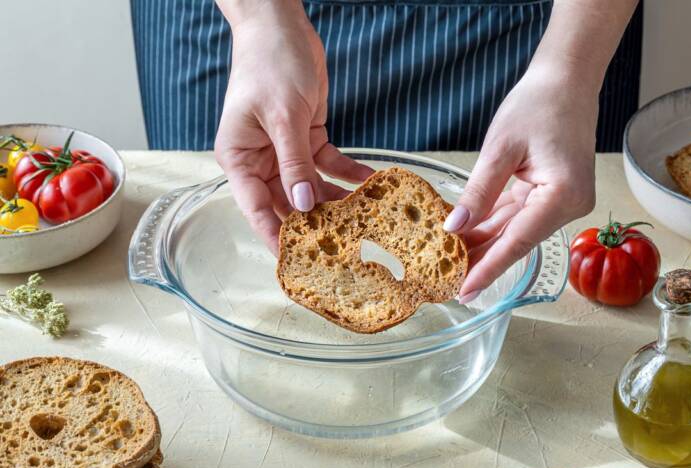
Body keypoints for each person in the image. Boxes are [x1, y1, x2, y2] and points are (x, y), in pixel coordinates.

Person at [131, 0, 641, 303]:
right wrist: (259, 20)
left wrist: (568, 71)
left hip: (544, 26)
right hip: (234, 23)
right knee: (230, 238)